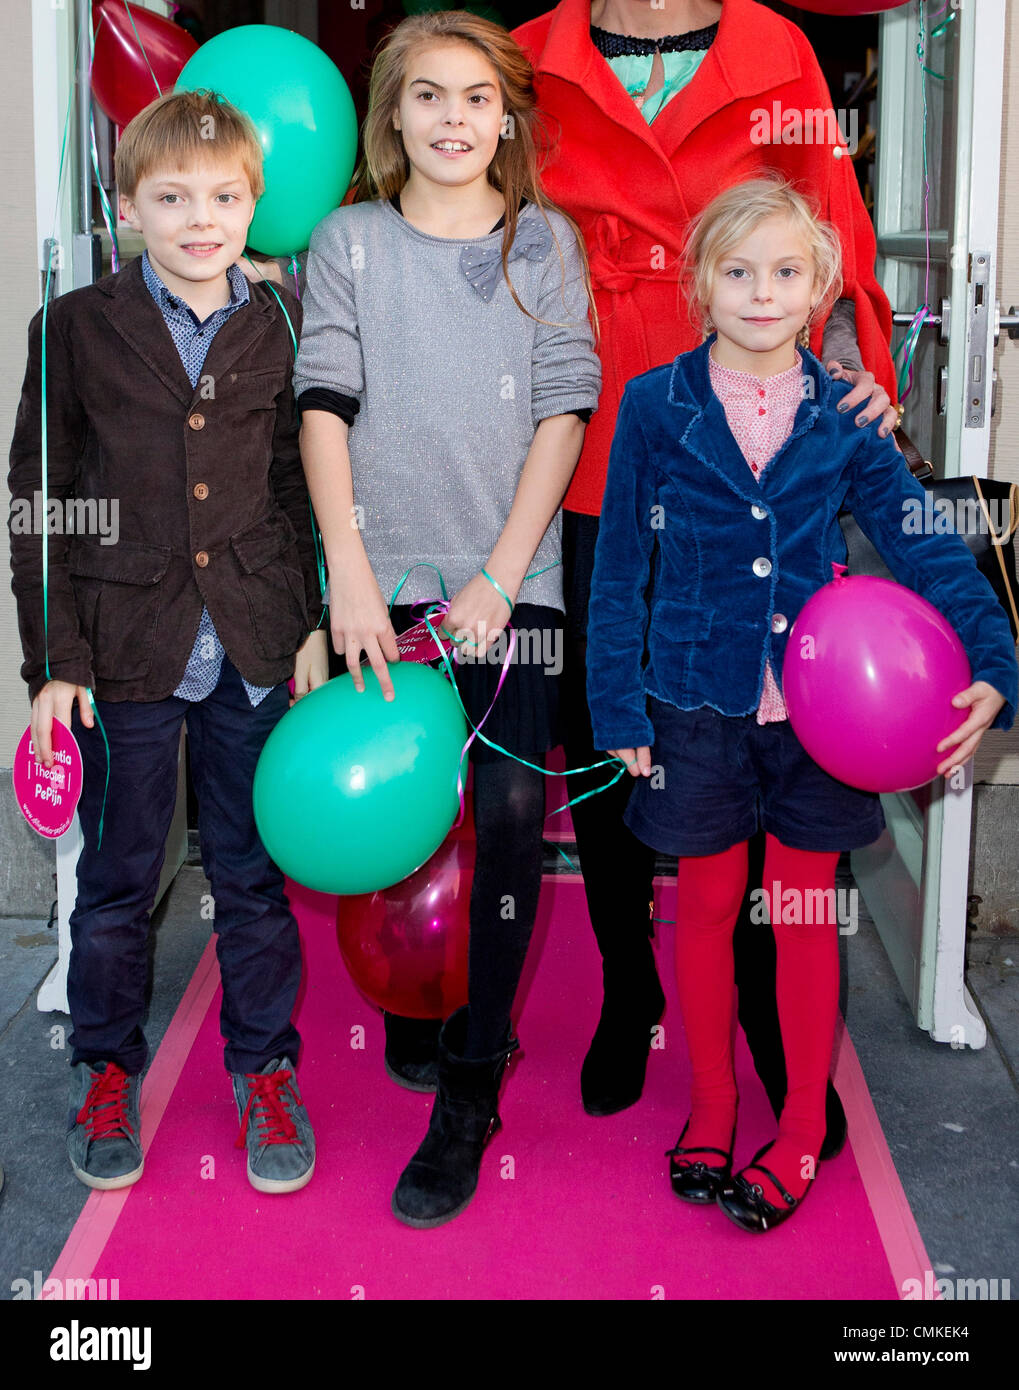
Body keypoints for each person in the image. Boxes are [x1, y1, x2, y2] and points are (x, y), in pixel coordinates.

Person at [585, 176, 1017, 1232]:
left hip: (820, 719)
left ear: (819, 285)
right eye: (736, 272)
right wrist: (617, 713)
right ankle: (711, 1103)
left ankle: (793, 1132)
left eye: (785, 273)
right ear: (699, 283)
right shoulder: (650, 402)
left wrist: (995, 657)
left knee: (798, 916)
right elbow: (615, 572)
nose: (761, 293)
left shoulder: (845, 419)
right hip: (692, 701)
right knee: (698, 910)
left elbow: (919, 537)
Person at [510, 0, 900, 1133]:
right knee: (605, 731)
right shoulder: (525, 57)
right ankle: (629, 986)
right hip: (591, 430)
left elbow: (829, 224)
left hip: (754, 433)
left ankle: (763, 1023)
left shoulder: (775, 49)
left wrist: (844, 361)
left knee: (746, 737)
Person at [293, 10, 600, 1227]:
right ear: (392, 117)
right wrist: (350, 571)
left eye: (477, 97)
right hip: (384, 576)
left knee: (512, 818)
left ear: (508, 118)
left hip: (506, 583)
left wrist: (500, 574)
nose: (454, 119)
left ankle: (470, 1088)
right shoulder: (348, 241)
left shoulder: (545, 246)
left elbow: (560, 420)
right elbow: (323, 406)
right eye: (428, 96)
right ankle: (420, 1001)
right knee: (396, 805)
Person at [7, 90, 329, 1194]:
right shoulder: (76, 328)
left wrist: (309, 628)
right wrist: (54, 663)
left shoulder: (280, 324)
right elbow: (38, 499)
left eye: (225, 196)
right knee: (116, 880)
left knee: (250, 876)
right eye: (172, 197)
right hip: (120, 655)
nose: (202, 218)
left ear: (254, 203)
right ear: (128, 206)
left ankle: (266, 1066)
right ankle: (104, 1064)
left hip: (251, 647)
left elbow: (297, 488)